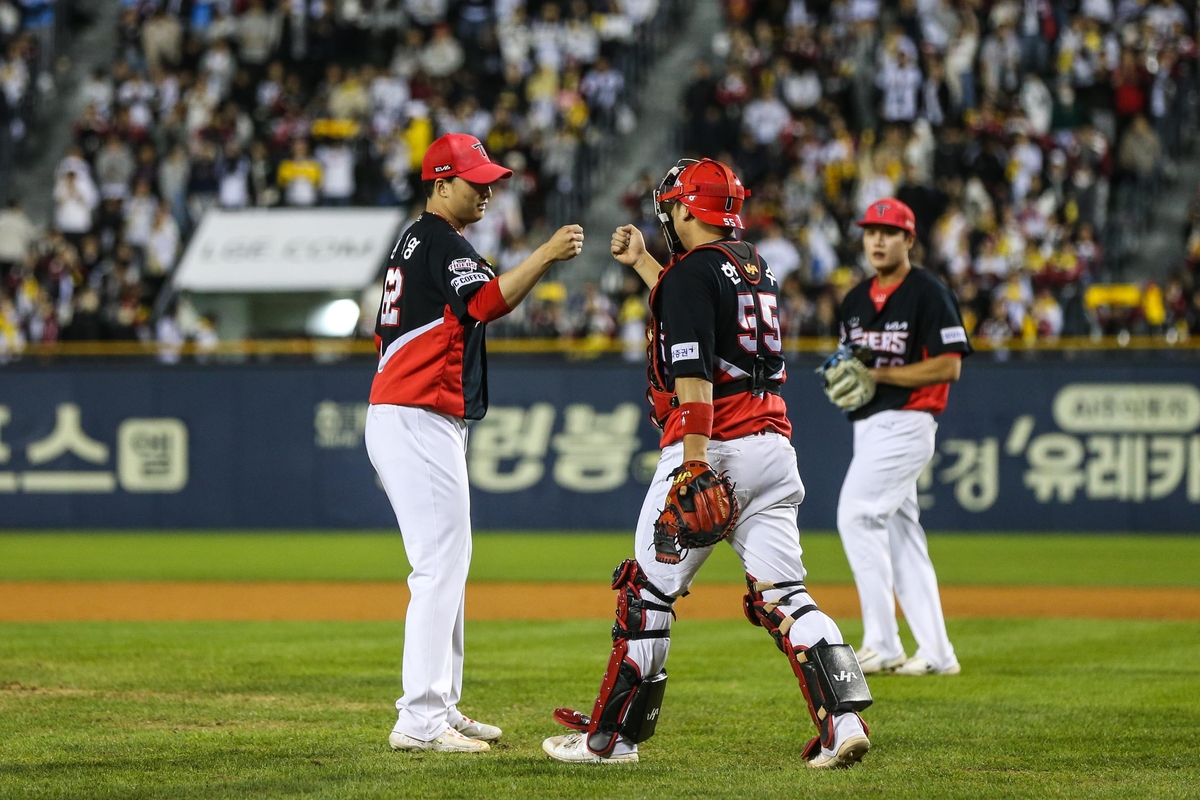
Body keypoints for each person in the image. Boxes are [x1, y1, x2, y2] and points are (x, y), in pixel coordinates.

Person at [542, 159, 872, 769]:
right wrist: (646, 264)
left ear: (688, 210)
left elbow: (693, 370)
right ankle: (843, 722)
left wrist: (693, 464)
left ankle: (612, 741)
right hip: (774, 449)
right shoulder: (753, 263)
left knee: (646, 596)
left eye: (669, 208)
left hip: (714, 446)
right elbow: (693, 306)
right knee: (787, 597)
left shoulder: (692, 272)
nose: (665, 217)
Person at [366, 133, 585, 754]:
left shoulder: (421, 238)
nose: (487, 190)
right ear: (440, 184)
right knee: (439, 565)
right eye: (473, 180)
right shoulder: (439, 238)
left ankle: (441, 703)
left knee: (449, 563)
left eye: (489, 180)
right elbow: (486, 302)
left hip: (412, 412)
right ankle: (419, 720)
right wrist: (543, 255)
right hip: (415, 413)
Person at [831, 198, 972, 677]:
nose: (877, 240)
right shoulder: (853, 301)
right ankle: (937, 653)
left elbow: (950, 364)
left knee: (856, 514)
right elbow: (849, 365)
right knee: (902, 535)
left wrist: (884, 377)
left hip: (909, 421)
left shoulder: (929, 292)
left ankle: (882, 642)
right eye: (870, 231)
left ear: (909, 240)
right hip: (867, 426)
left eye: (888, 232)